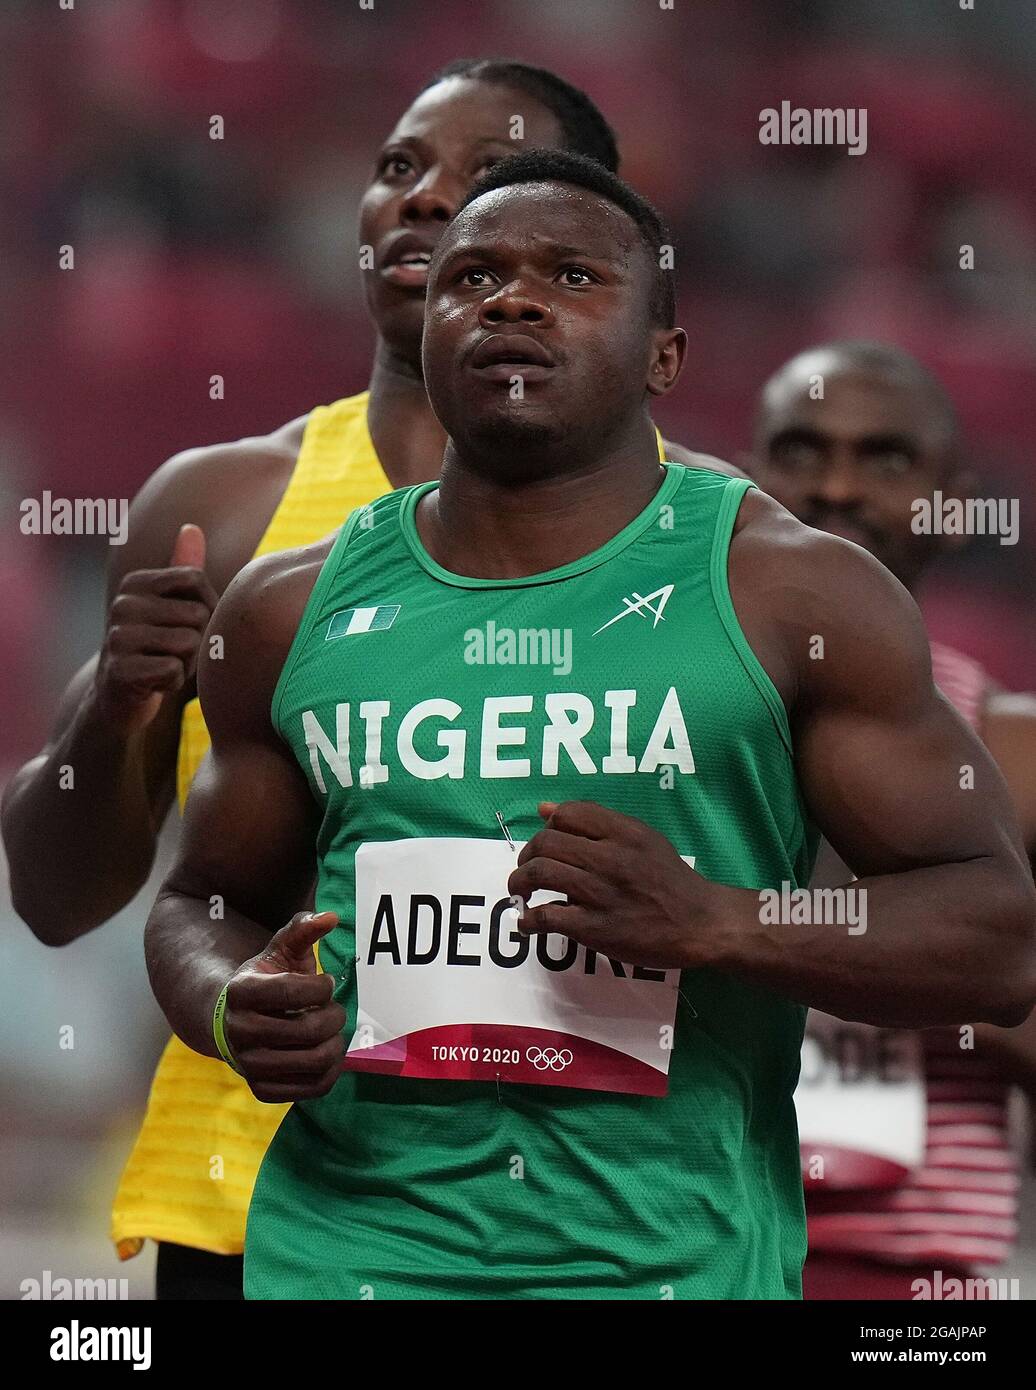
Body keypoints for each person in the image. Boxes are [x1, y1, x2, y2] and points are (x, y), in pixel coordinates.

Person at [144, 151, 1035, 1299]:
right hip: (344, 1258)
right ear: (425, 336)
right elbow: (197, 902)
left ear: (665, 355)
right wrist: (229, 996)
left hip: (668, 1269)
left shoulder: (794, 595)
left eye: (570, 276)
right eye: (472, 279)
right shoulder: (285, 607)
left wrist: (721, 921)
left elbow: (997, 933)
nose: (510, 300)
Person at [2, 58, 729, 1301]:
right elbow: (60, 900)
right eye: (398, 170)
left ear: (588, 230)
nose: (422, 203)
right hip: (246, 1201)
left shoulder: (715, 548)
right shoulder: (221, 510)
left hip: (600, 1230)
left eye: (482, 177)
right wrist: (115, 705)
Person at [747, 341, 1036, 1299]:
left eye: (886, 460)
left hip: (908, 1282)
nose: (835, 486)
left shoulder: (1019, 753)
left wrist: (929, 957)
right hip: (666, 1245)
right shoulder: (648, 724)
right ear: (746, 480)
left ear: (955, 502)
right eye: (800, 450)